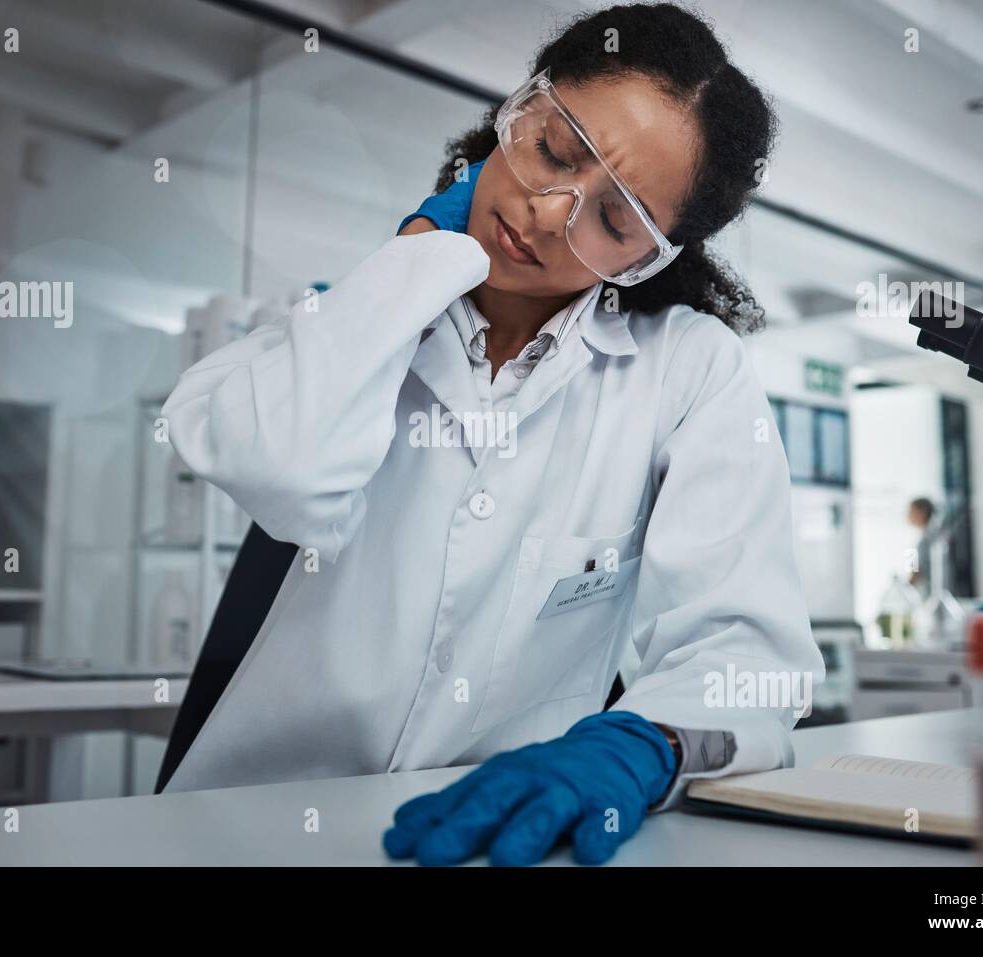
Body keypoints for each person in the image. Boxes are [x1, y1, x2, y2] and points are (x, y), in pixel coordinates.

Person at [160, 3, 824, 866]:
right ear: (517, 109)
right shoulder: (351, 318)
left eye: (614, 220)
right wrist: (423, 246)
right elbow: (280, 468)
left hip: (503, 839)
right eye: (551, 149)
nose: (550, 213)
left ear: (650, 258)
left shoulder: (688, 371)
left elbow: (746, 648)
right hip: (239, 835)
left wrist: (642, 742)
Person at [907, 497, 938, 598]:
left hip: (930, 595)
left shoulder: (927, 539)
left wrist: (906, 589)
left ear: (922, 512)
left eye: (911, 511)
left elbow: (916, 570)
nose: (908, 515)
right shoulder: (926, 536)